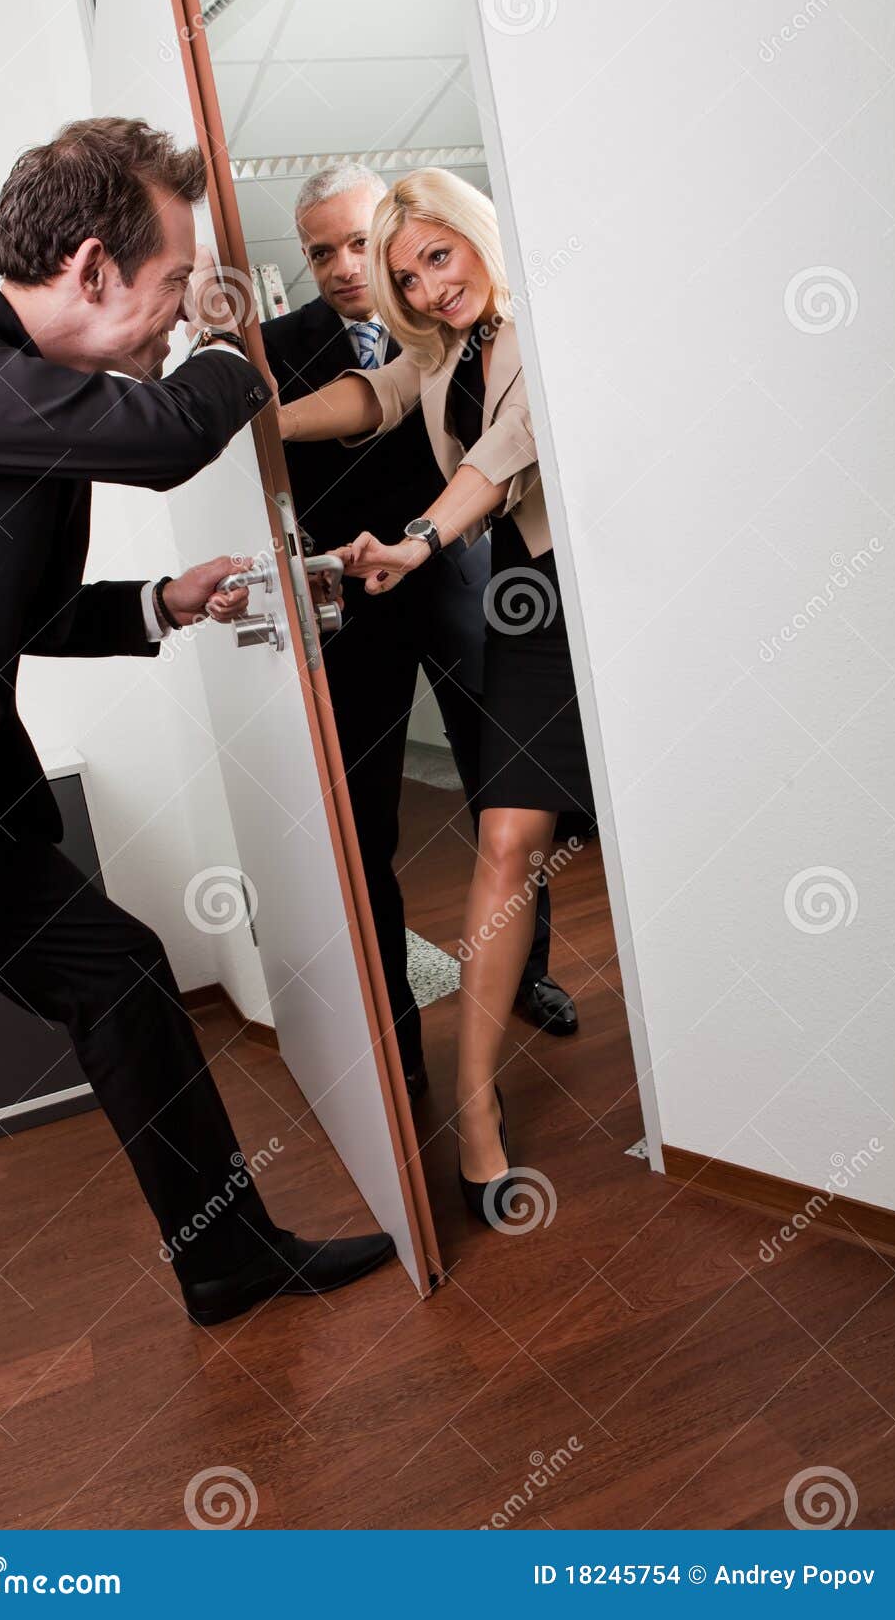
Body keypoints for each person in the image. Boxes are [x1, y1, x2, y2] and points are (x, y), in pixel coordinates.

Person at [0, 117, 395, 1324]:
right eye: (171, 289)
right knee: (120, 974)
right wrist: (235, 339)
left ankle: (226, 1256)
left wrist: (157, 601)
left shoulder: (1, 394)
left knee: (118, 973)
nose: (177, 316)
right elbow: (162, 440)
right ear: (89, 269)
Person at [277, 168, 596, 1228]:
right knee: (505, 839)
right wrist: (252, 420)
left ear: (475, 237)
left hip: (610, 590)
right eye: (404, 273)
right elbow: (374, 397)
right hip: (531, 604)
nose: (422, 285)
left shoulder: (550, 316)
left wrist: (416, 541)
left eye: (436, 257)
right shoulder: (443, 352)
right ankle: (473, 1116)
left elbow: (510, 452)